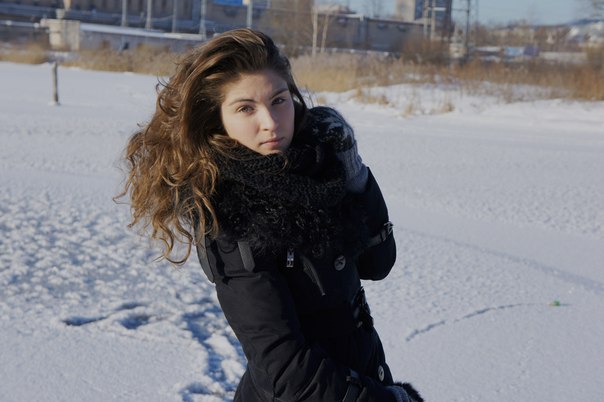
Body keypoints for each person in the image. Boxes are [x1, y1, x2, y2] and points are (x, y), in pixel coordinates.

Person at [120, 28, 423, 402]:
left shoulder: (317, 172)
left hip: (362, 377)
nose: (270, 121)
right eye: (245, 108)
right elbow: (284, 370)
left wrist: (354, 174)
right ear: (217, 120)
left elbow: (378, 263)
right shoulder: (228, 215)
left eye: (278, 100)